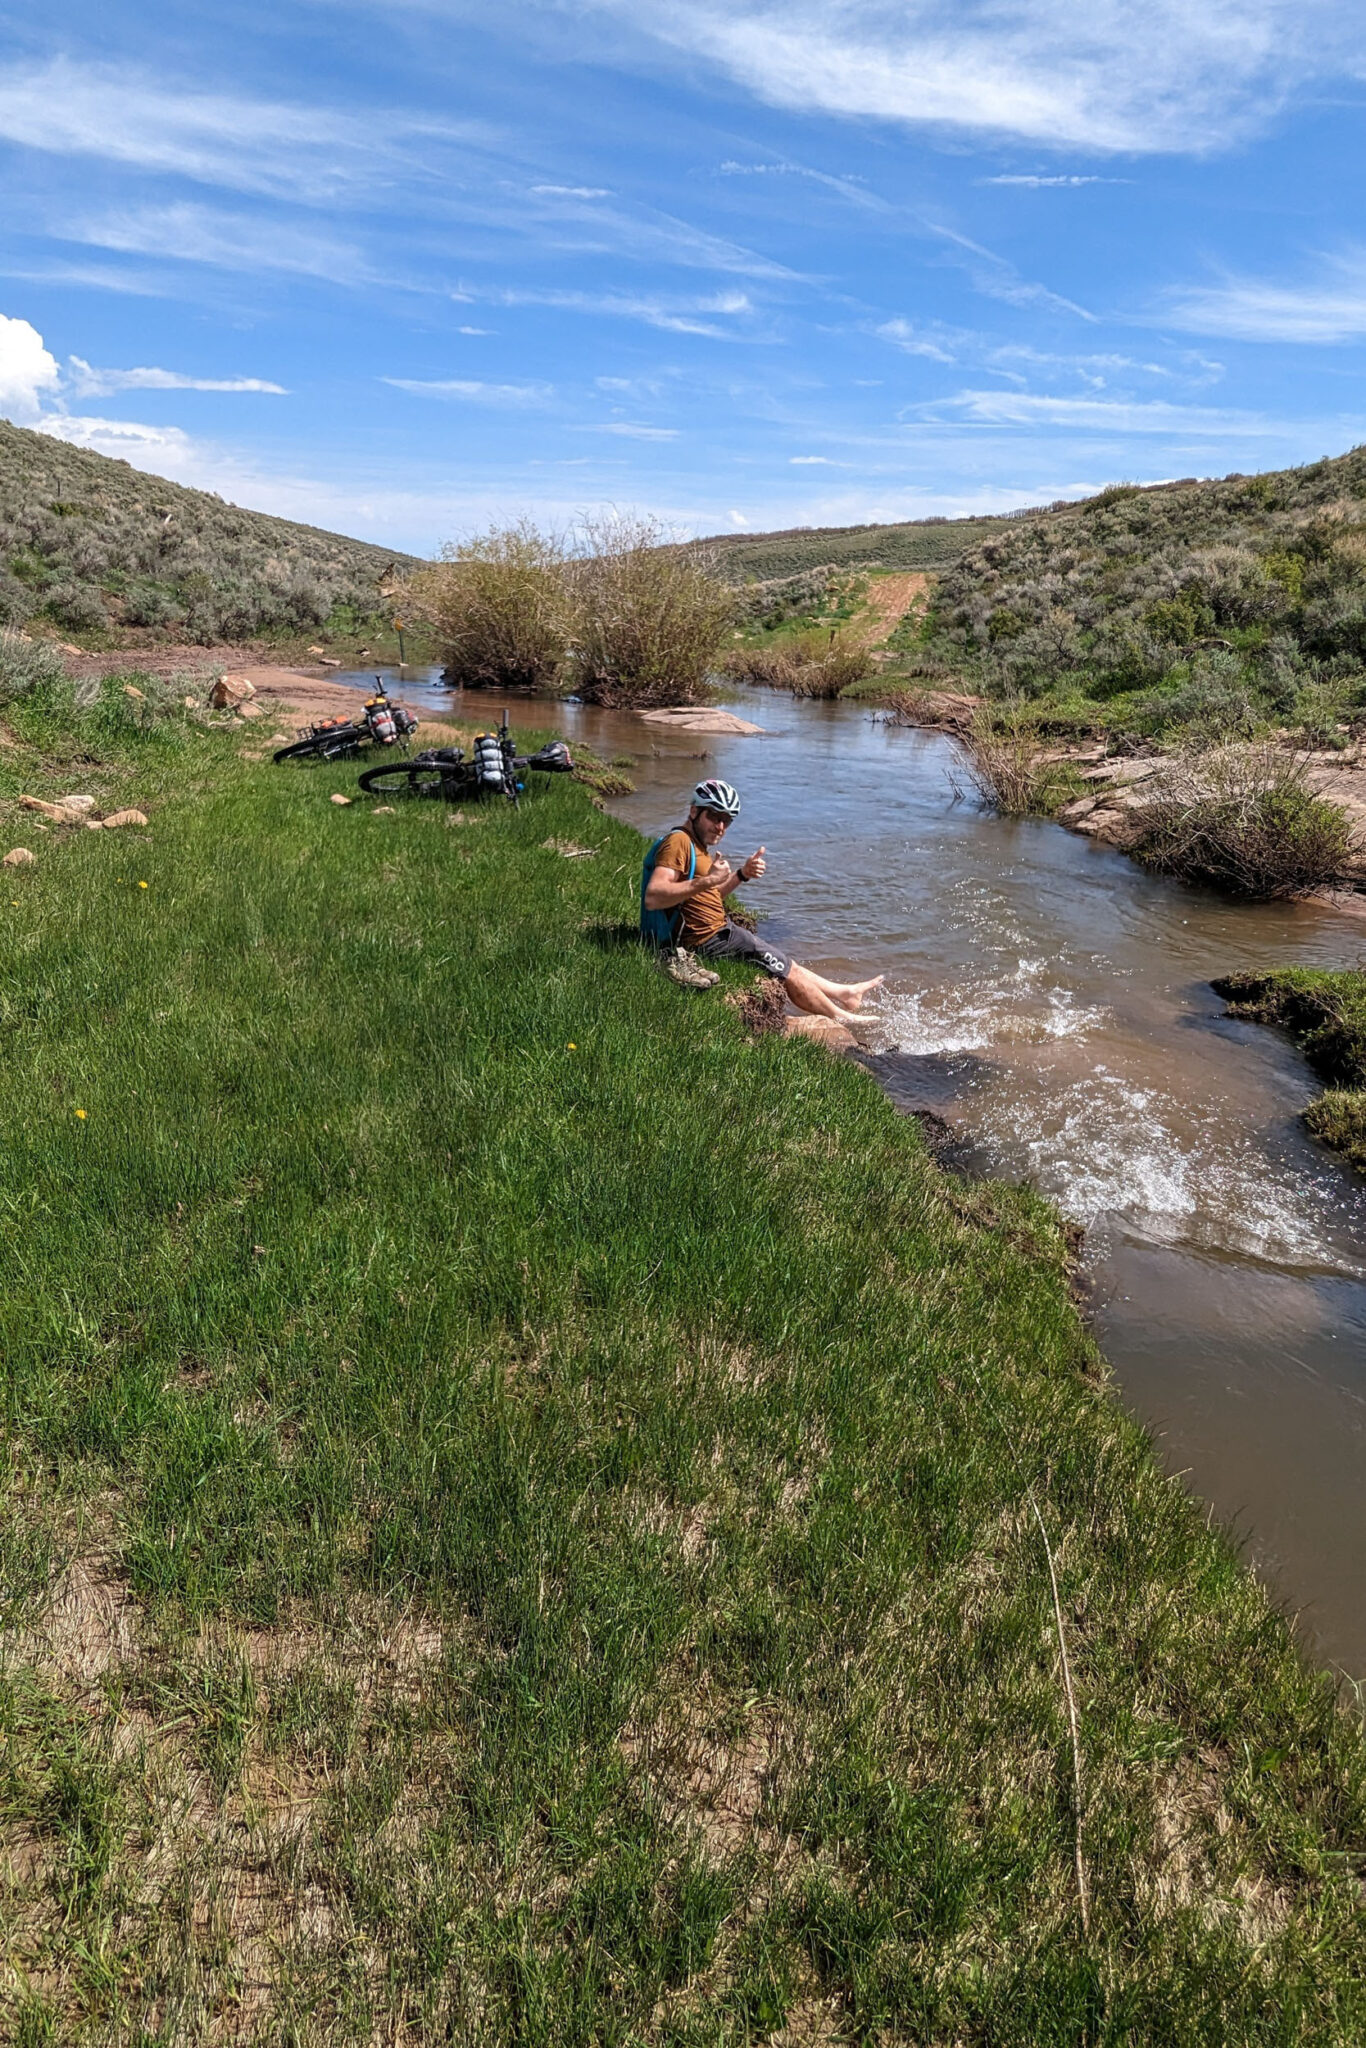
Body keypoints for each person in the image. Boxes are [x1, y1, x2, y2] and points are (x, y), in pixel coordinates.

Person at [641, 778, 883, 1022]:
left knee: (786, 963)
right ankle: (842, 1018)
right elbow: (654, 896)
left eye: (727, 820)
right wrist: (709, 880)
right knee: (786, 971)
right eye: (714, 816)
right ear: (694, 811)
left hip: (720, 931)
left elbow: (708, 897)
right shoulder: (679, 842)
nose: (721, 826)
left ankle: (844, 993)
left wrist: (742, 874)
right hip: (708, 939)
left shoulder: (697, 846)